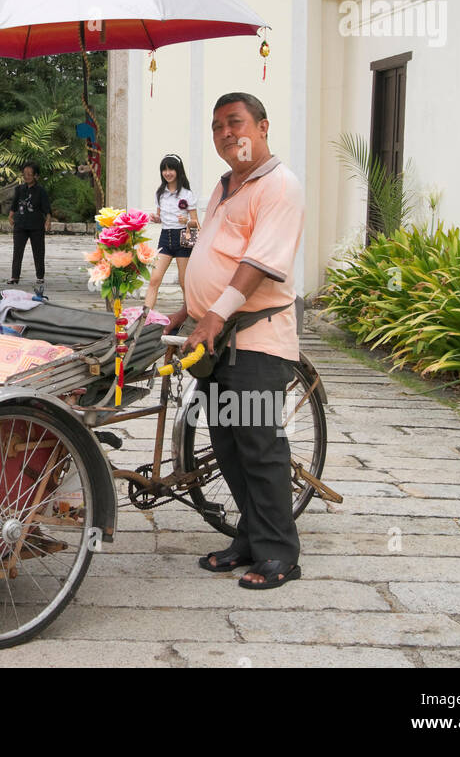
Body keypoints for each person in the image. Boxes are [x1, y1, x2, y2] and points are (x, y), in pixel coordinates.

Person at [169, 92, 305, 590]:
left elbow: (259, 264)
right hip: (215, 339)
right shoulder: (227, 185)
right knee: (227, 444)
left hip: (254, 338)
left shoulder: (279, 187)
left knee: (259, 446)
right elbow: (214, 253)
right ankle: (249, 538)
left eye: (236, 123)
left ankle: (279, 554)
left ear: (262, 127)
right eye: (218, 126)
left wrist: (213, 317)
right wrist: (187, 309)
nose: (226, 133)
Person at [142, 154, 199, 313]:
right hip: (165, 237)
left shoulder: (187, 194)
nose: (167, 173)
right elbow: (161, 218)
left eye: (171, 169)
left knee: (184, 282)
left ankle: (190, 316)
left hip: (184, 236)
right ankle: (144, 318)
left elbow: (196, 224)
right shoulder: (160, 193)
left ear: (178, 171)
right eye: (164, 169)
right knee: (154, 279)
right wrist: (156, 218)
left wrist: (186, 221)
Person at [7, 161, 51, 295]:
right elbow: (14, 205)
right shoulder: (19, 189)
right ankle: (15, 276)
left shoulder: (41, 191)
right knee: (17, 251)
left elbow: (46, 208)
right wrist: (10, 216)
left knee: (38, 250)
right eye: (25, 174)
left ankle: (40, 275)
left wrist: (48, 221)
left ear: (36, 176)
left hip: (36, 225)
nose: (27, 177)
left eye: (30, 174)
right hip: (20, 223)